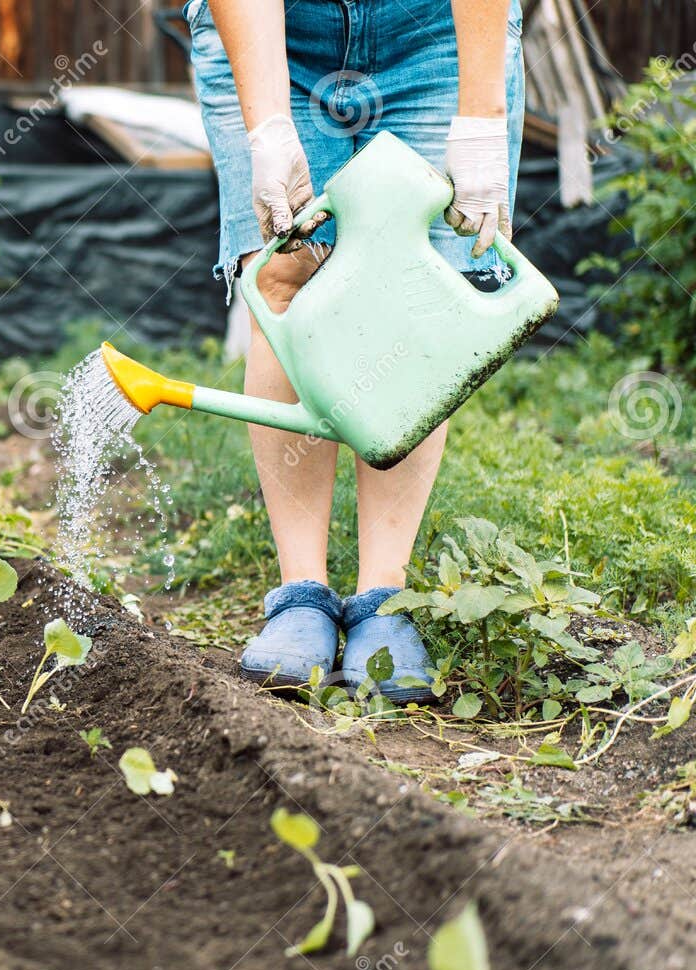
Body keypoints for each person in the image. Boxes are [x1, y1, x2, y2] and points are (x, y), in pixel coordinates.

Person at [187, 0, 522, 702]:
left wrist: (482, 118)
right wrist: (271, 127)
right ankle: (300, 591)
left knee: (418, 288)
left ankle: (382, 598)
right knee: (286, 273)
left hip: (437, 30)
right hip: (276, 31)